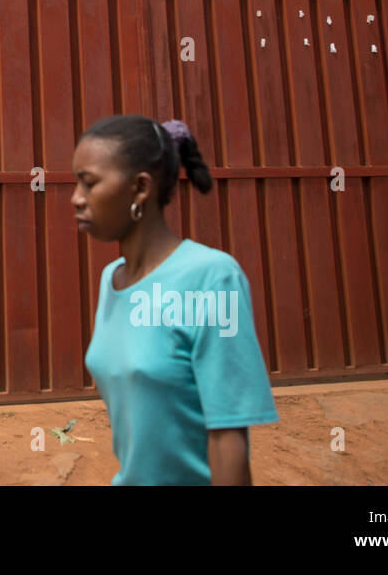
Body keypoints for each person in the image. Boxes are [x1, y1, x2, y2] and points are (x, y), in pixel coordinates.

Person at [73, 114, 278, 485]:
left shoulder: (212, 277)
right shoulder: (111, 280)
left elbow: (227, 434)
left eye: (89, 184)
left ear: (140, 188)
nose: (76, 198)